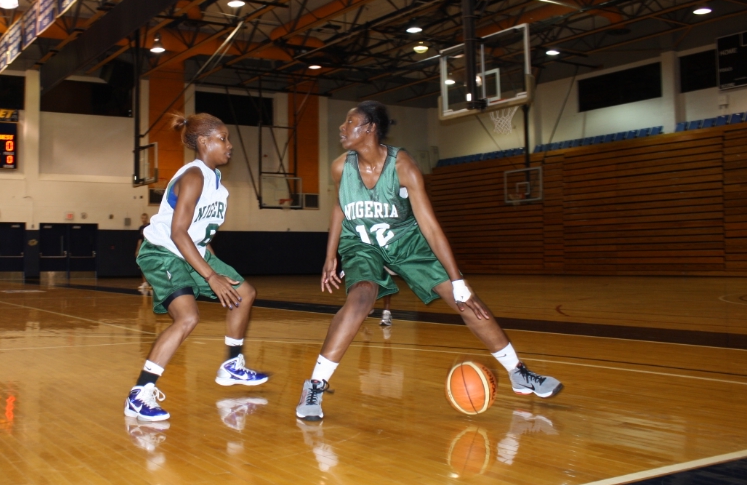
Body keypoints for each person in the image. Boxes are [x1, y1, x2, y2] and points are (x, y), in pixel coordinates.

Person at [296, 102, 562, 420]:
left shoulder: (402, 165)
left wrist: (459, 281)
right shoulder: (341, 167)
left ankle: (519, 373)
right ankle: (314, 385)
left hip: (408, 243)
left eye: (349, 121)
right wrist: (330, 255)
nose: (342, 127)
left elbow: (430, 226)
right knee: (360, 299)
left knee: (468, 302)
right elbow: (340, 207)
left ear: (369, 129)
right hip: (362, 245)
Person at [125, 113, 268, 422]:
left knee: (244, 293)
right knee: (187, 318)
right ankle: (140, 393)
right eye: (224, 138)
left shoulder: (217, 185)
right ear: (204, 142)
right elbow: (178, 232)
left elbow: (198, 233)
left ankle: (232, 364)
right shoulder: (194, 176)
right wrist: (210, 275)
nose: (229, 145)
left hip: (190, 251)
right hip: (162, 253)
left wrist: (213, 265)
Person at [135, 213, 151, 294]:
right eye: (142, 218)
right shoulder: (141, 228)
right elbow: (139, 240)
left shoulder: (150, 227)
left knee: (149, 267)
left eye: (145, 218)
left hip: (148, 248)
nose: (143, 219)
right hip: (142, 249)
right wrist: (137, 250)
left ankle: (151, 283)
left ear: (147, 218)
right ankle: (144, 283)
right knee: (142, 266)